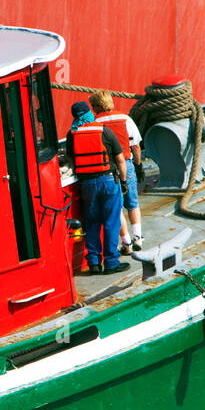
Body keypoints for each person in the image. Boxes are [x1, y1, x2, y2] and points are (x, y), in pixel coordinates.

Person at [66, 102, 130, 275]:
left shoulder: (71, 135)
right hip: (109, 180)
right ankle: (111, 263)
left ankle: (94, 263)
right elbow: (121, 160)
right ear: (89, 113)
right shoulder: (104, 131)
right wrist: (123, 182)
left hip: (87, 184)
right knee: (111, 221)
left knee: (92, 222)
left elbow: (71, 161)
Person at [89, 90, 145, 252]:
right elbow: (135, 145)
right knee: (133, 203)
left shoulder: (95, 122)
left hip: (107, 168)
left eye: (93, 106)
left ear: (98, 106)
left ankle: (126, 243)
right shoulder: (125, 118)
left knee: (117, 206)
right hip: (126, 164)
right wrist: (139, 165)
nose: (92, 109)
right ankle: (138, 238)